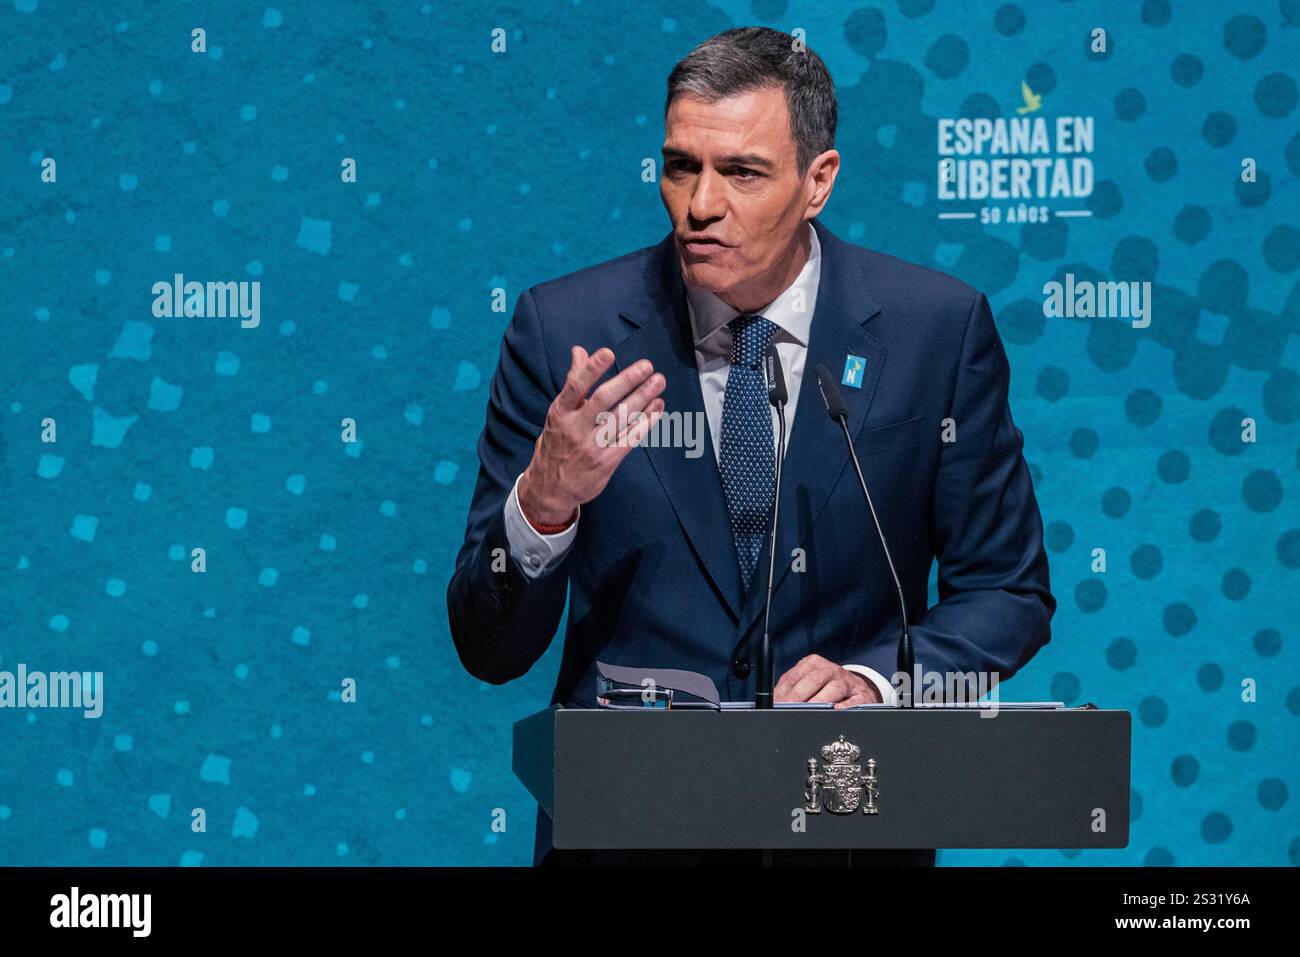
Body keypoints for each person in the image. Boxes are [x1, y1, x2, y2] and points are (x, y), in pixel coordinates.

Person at [447, 26, 1055, 866]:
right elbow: (489, 648)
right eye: (679, 166)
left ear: (818, 182)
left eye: (741, 172)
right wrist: (543, 505)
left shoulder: (934, 332)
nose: (699, 204)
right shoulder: (566, 335)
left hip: (846, 833)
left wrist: (877, 683)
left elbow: (1009, 592)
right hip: (626, 838)